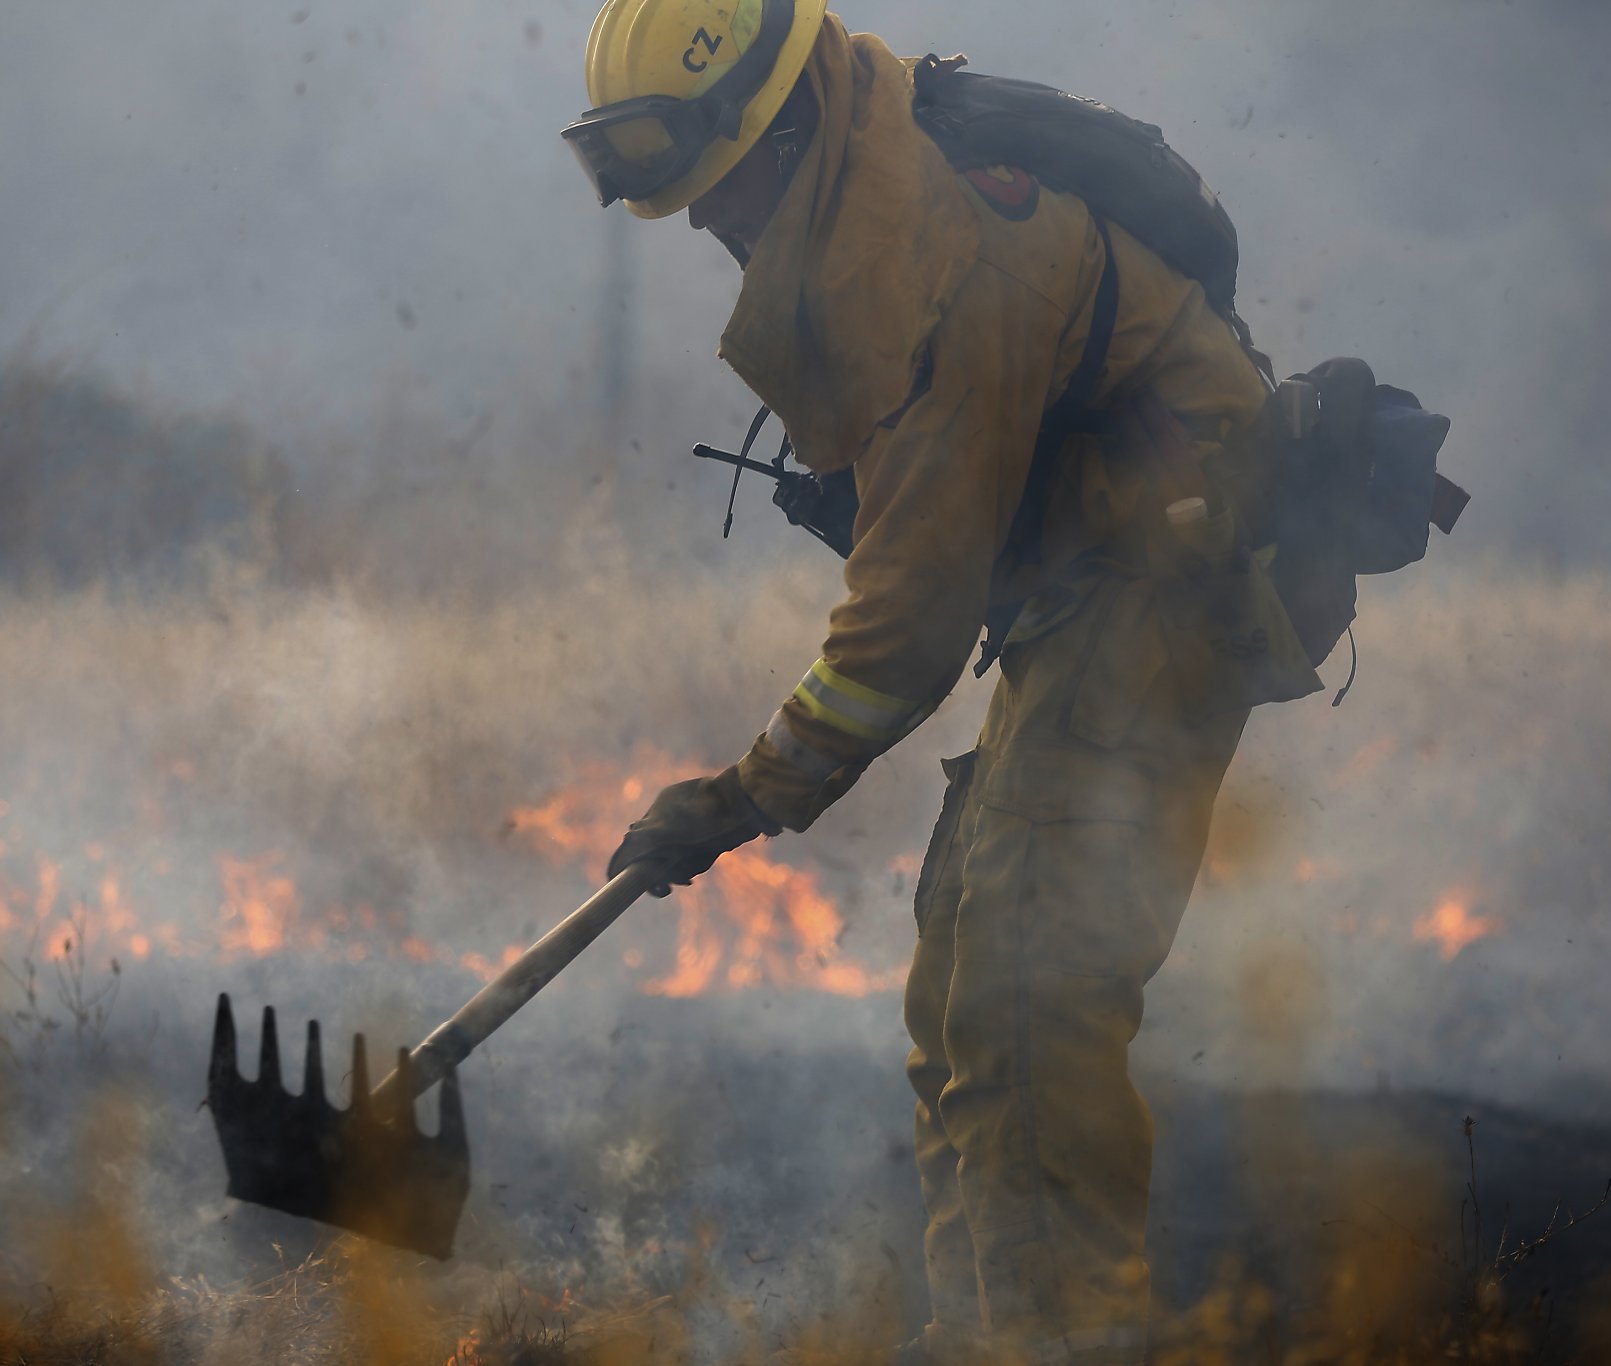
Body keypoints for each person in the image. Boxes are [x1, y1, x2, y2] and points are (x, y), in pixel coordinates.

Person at [565, 2, 1322, 1360]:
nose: (698, 226)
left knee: (1030, 1001)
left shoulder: (929, 262)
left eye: (714, 184)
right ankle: (990, 1329)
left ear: (786, 122)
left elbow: (906, 631)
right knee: (961, 983)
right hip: (1088, 591)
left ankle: (1056, 1342)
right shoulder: (864, 178)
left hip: (1165, 587)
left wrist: (740, 797)